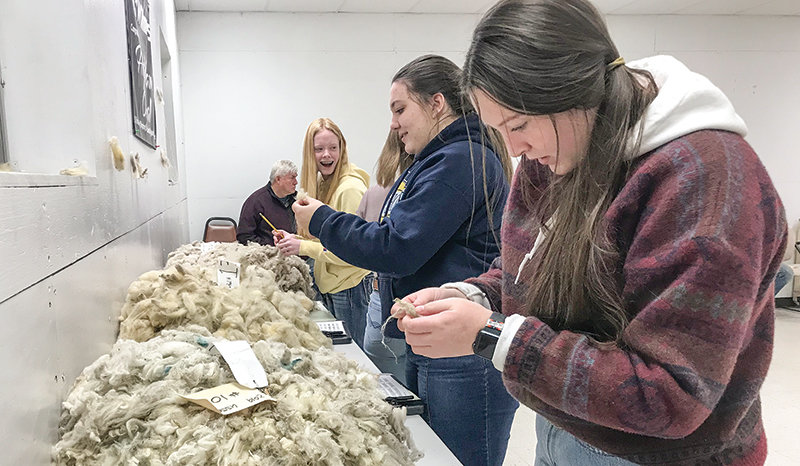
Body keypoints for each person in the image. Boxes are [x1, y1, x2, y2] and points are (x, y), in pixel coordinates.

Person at [394, 1, 788, 465]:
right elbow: (527, 270)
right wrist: (474, 297)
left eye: (519, 125)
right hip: (565, 424)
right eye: (501, 130)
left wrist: (492, 336)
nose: (516, 150)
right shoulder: (554, 152)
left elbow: (669, 395)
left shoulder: (704, 180)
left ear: (572, 91)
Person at [292, 55, 518, 466]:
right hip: (438, 340)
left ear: (436, 104)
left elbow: (397, 247)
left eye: (400, 109)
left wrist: (321, 220)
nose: (393, 123)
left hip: (463, 352)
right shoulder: (435, 161)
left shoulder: (459, 160)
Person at [274, 118, 371, 348]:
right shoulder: (324, 183)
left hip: (349, 289)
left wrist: (302, 247)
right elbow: (326, 238)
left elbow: (349, 250)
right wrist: (294, 240)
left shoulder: (349, 189)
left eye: (333, 148)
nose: (327, 155)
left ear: (342, 148)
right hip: (331, 285)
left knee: (351, 355)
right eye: (319, 149)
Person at [356, 129, 413, 384]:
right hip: (397, 301)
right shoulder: (385, 192)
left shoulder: (376, 192)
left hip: (385, 296)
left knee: (388, 384)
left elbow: (363, 248)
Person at [236, 159, 298, 246]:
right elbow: (244, 237)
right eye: (292, 178)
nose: (296, 182)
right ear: (278, 179)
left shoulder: (298, 200)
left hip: (299, 254)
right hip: (269, 256)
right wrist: (271, 247)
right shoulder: (255, 202)